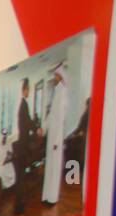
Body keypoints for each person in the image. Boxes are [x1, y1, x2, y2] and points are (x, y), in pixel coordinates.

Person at [42, 63, 68, 206]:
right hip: (51, 137)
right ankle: (47, 196)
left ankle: (52, 198)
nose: (54, 77)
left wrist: (57, 141)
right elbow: (51, 116)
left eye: (56, 74)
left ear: (60, 75)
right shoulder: (57, 91)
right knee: (49, 168)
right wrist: (45, 128)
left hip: (56, 140)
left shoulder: (63, 93)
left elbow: (60, 120)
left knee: (55, 168)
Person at [16, 78, 34, 215]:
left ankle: (20, 204)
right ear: (25, 90)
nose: (29, 92)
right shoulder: (24, 105)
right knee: (21, 178)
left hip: (22, 146)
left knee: (21, 177)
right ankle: (19, 206)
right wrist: (36, 127)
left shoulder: (23, 105)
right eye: (28, 89)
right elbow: (28, 123)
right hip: (22, 147)